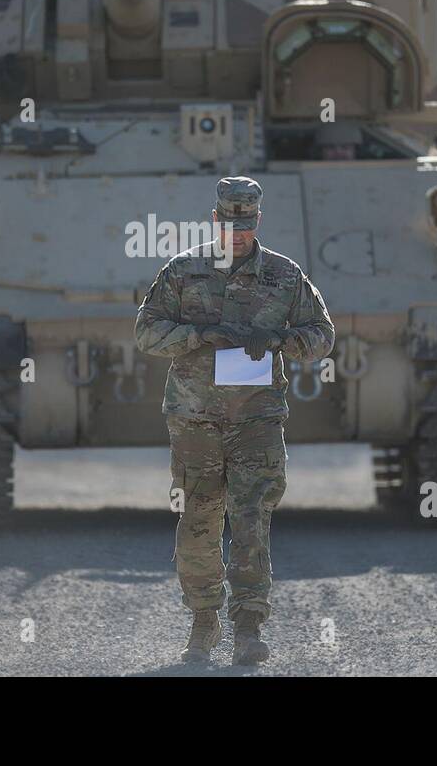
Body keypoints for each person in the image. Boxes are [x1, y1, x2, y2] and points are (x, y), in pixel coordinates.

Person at [135, 176, 335, 665]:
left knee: (251, 519)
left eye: (245, 224)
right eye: (229, 223)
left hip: (256, 419)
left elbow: (322, 335)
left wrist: (281, 340)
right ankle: (203, 622)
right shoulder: (183, 272)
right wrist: (199, 333)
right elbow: (147, 333)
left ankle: (248, 626)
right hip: (195, 417)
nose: (237, 232)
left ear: (257, 221)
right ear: (216, 220)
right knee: (200, 520)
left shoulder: (285, 277)